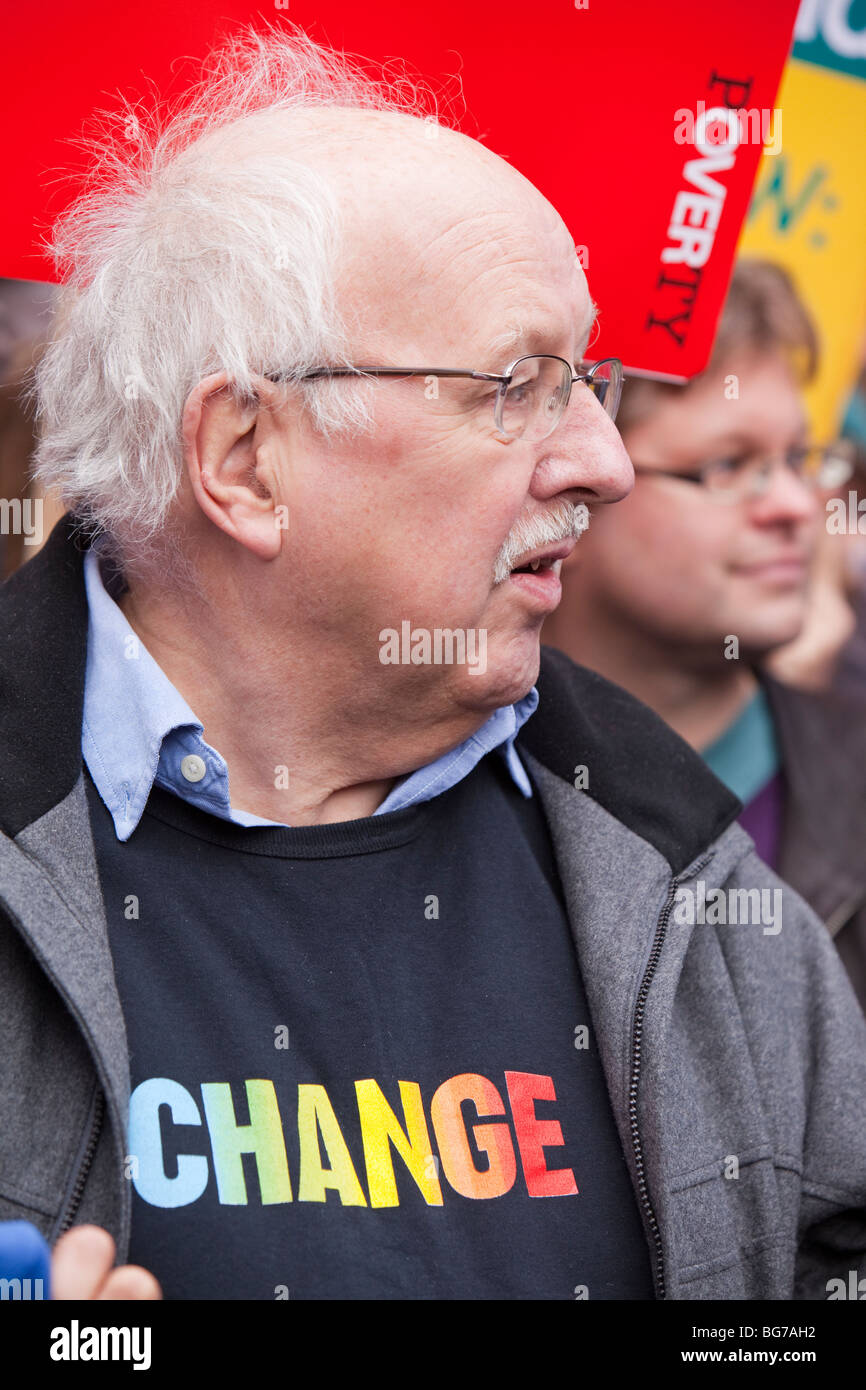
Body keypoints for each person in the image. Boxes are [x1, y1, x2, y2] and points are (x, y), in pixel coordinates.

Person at [2, 26, 865, 1302]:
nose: (602, 464)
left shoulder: (685, 873)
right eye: (514, 385)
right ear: (244, 457)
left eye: (592, 385)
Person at [544, 259, 866, 1011]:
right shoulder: (453, 795)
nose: (792, 503)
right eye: (726, 466)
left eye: (797, 459)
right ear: (576, 488)